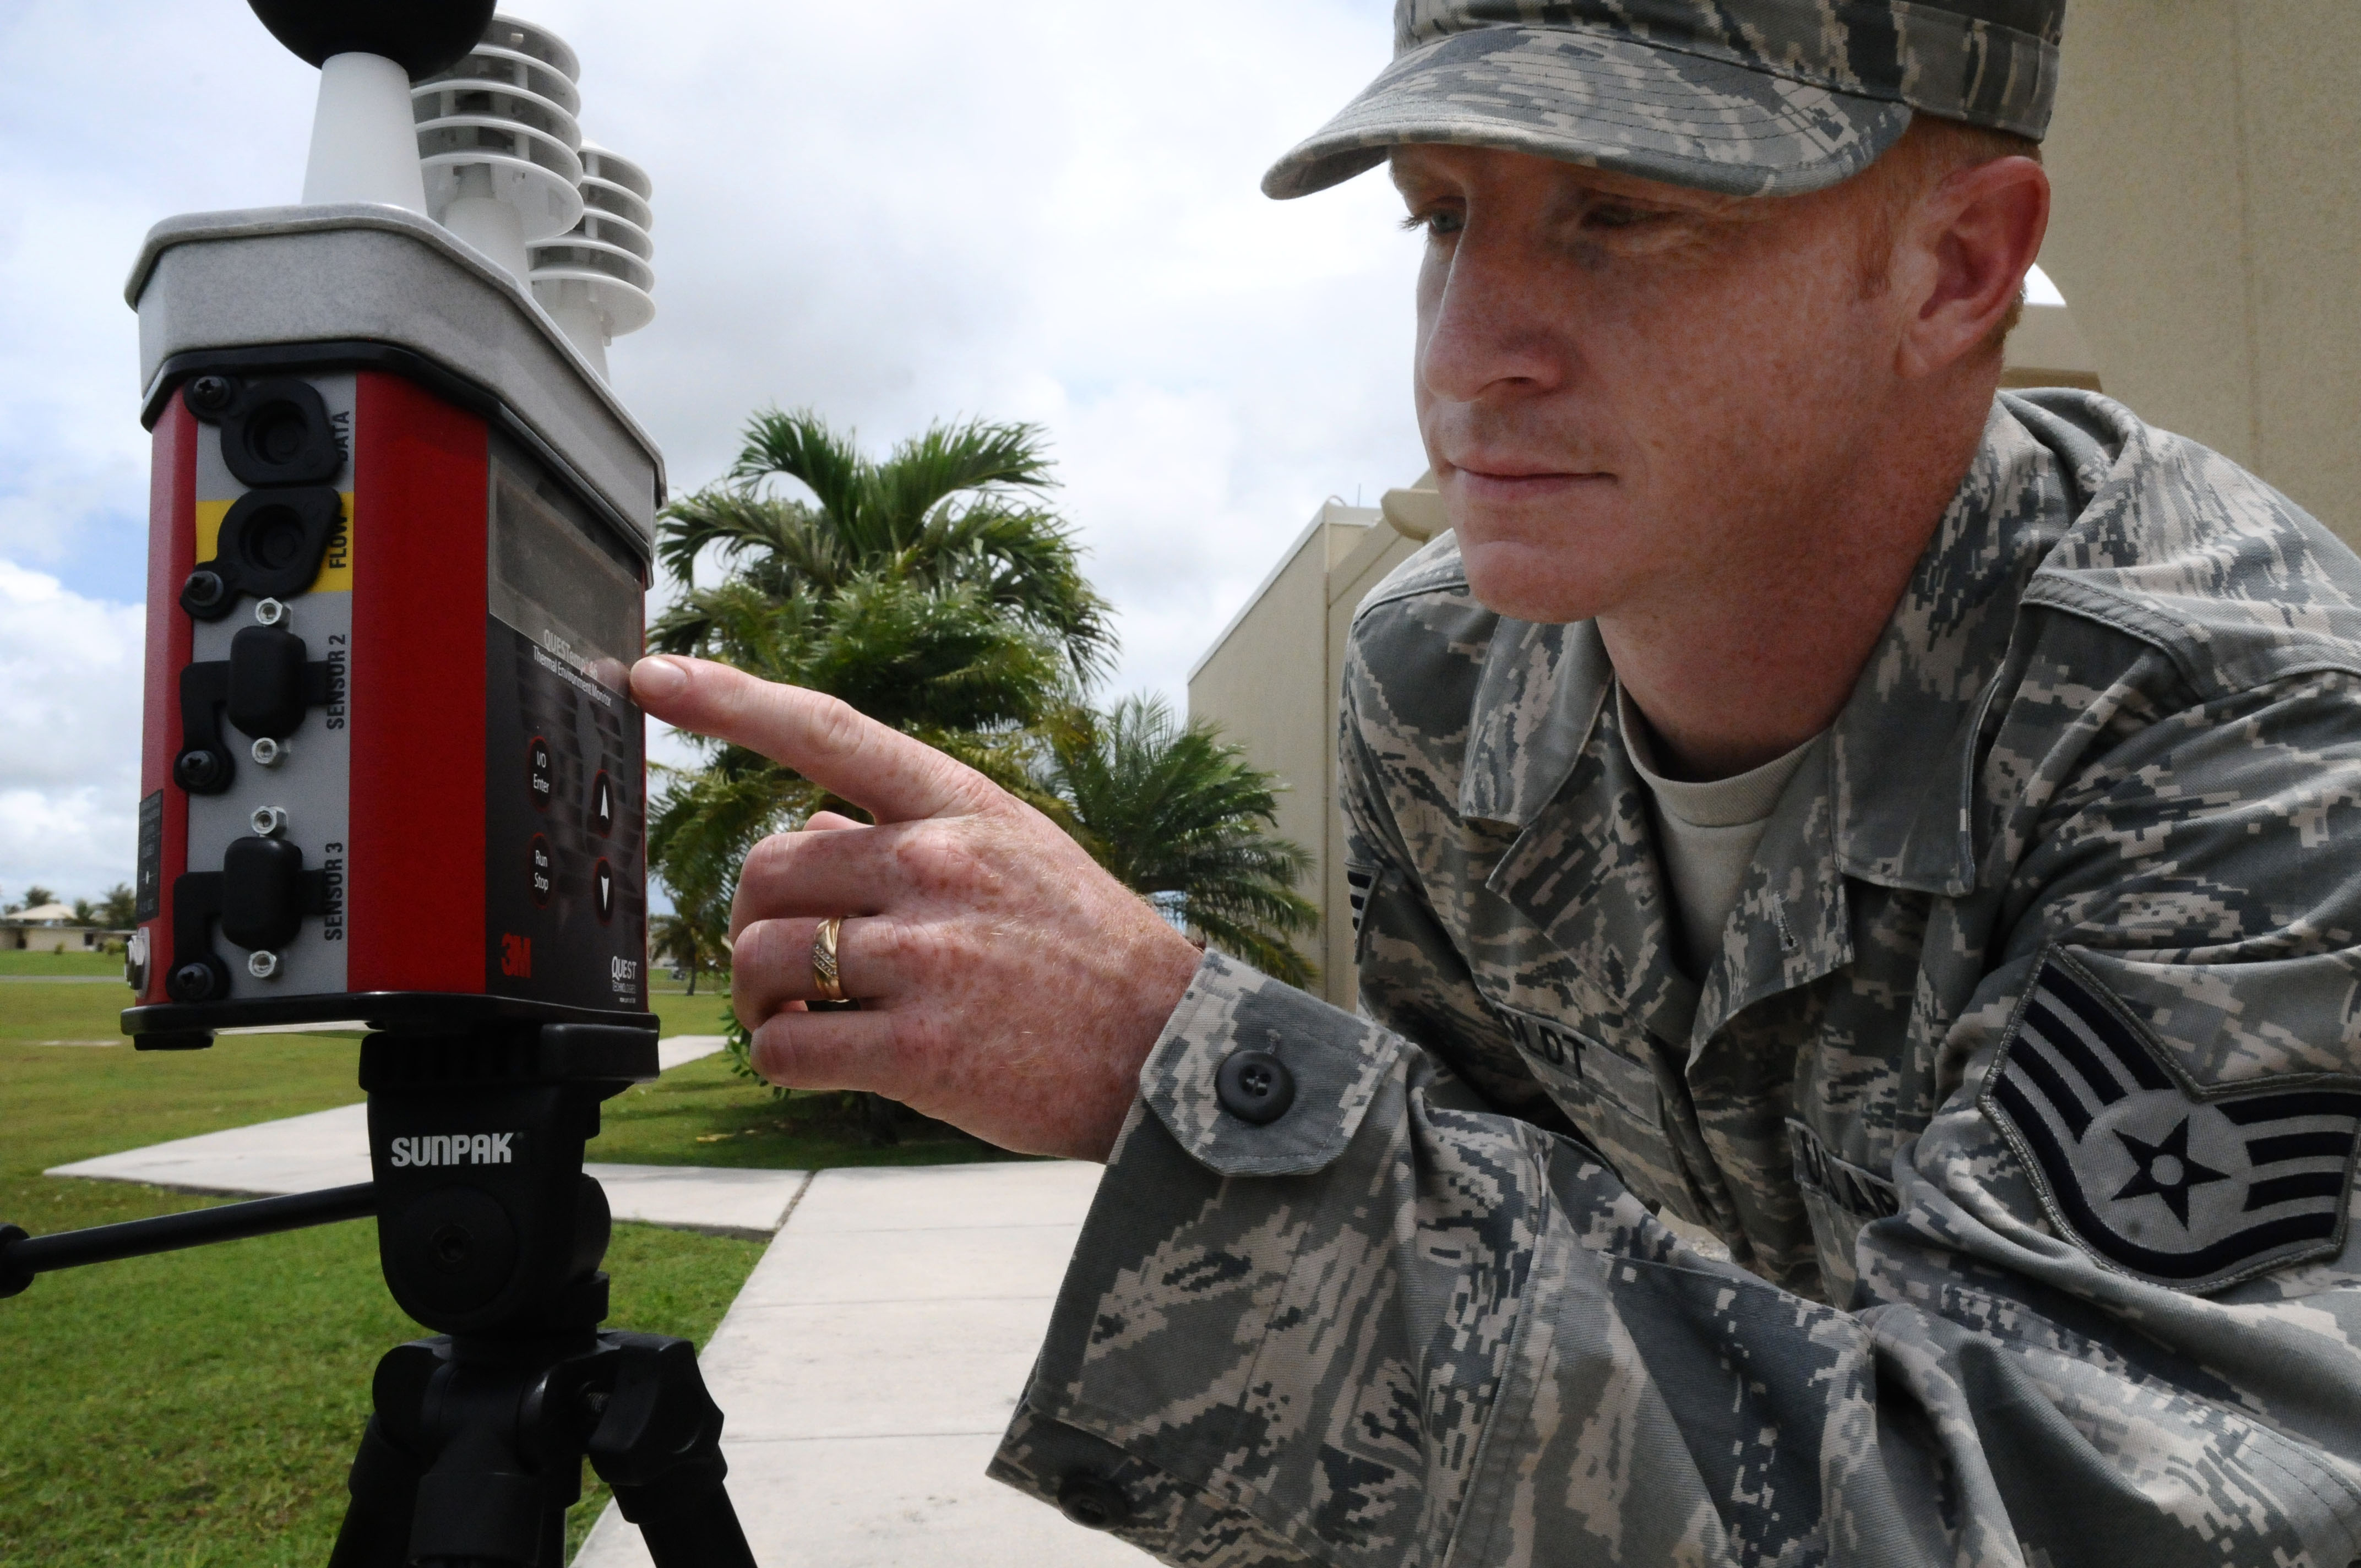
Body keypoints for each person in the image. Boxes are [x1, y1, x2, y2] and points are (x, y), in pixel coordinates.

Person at [632, 1, 2361, 1560]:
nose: (1469, 354)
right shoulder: (1438, 688)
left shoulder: (2249, 741)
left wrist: (1187, 1077)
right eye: (1442, 216)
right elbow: (1530, 1258)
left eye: (1624, 213)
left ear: (1958, 267)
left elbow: (2030, 1527)